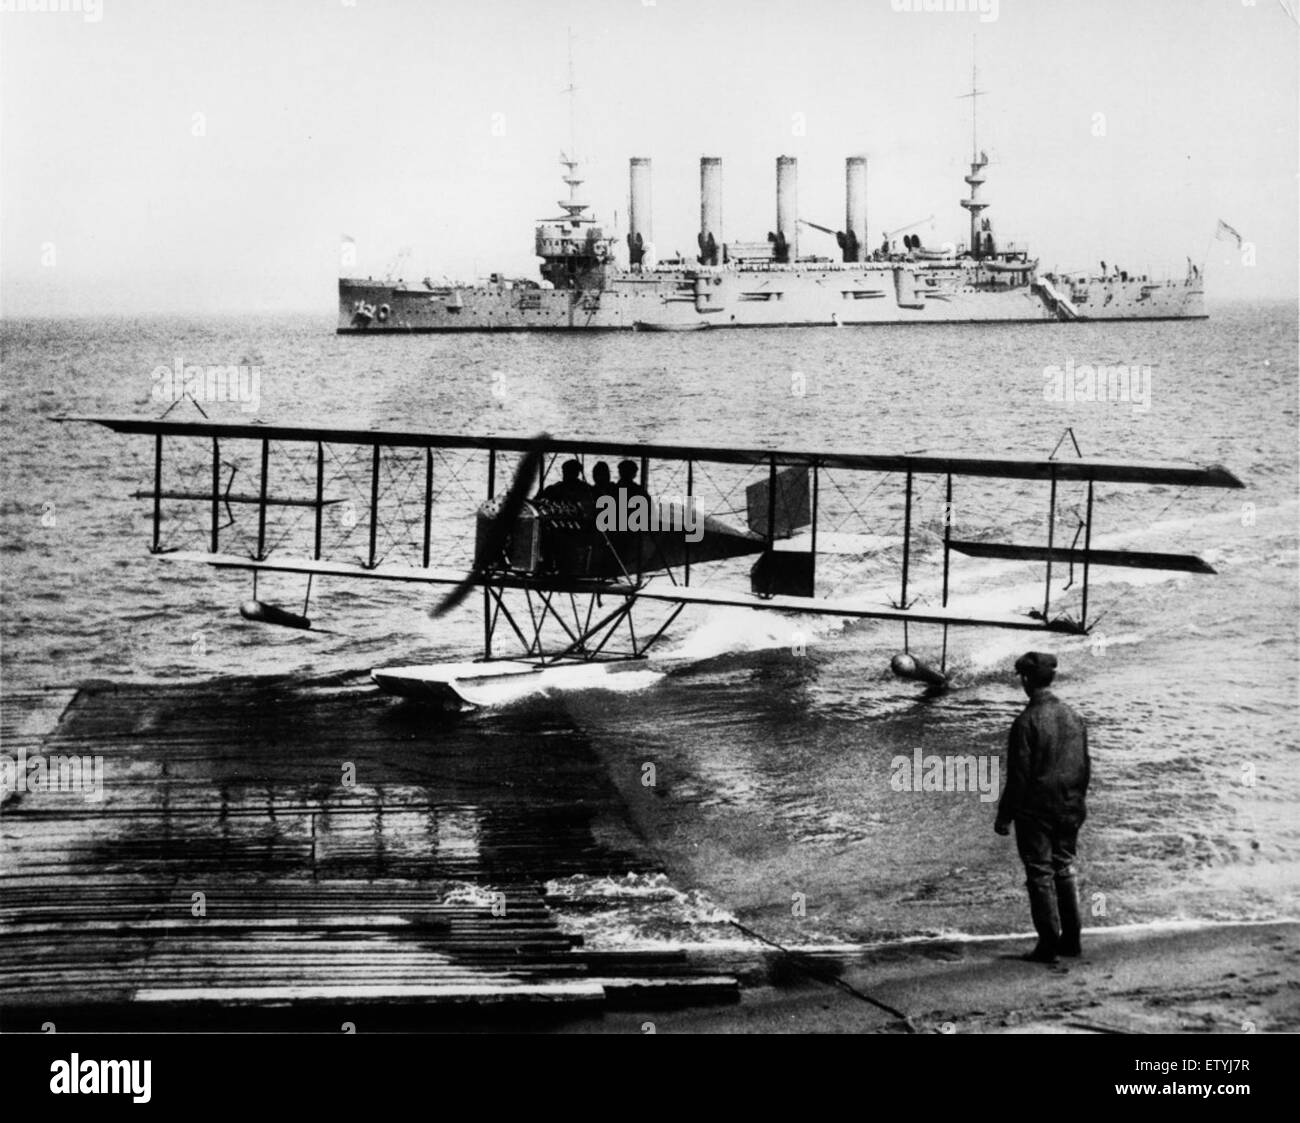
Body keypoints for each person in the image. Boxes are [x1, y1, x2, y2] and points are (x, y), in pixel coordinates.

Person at [995, 652, 1090, 964]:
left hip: (1037, 811)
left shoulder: (1026, 722)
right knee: (1064, 867)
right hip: (1070, 805)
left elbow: (1019, 778)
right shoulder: (1074, 716)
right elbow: (1085, 767)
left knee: (1039, 872)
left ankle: (1047, 944)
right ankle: (1071, 941)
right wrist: (1076, 802)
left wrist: (1004, 816)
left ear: (1025, 680)